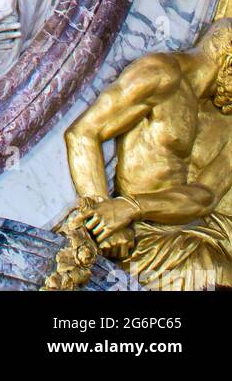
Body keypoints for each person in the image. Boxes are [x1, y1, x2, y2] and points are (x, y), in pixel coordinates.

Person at [63, 19, 232, 290]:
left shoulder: (228, 123)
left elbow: (207, 194)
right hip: (140, 237)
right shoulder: (160, 74)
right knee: (208, 274)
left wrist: (132, 206)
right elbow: (83, 133)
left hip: (185, 233)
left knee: (216, 271)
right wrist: (104, 213)